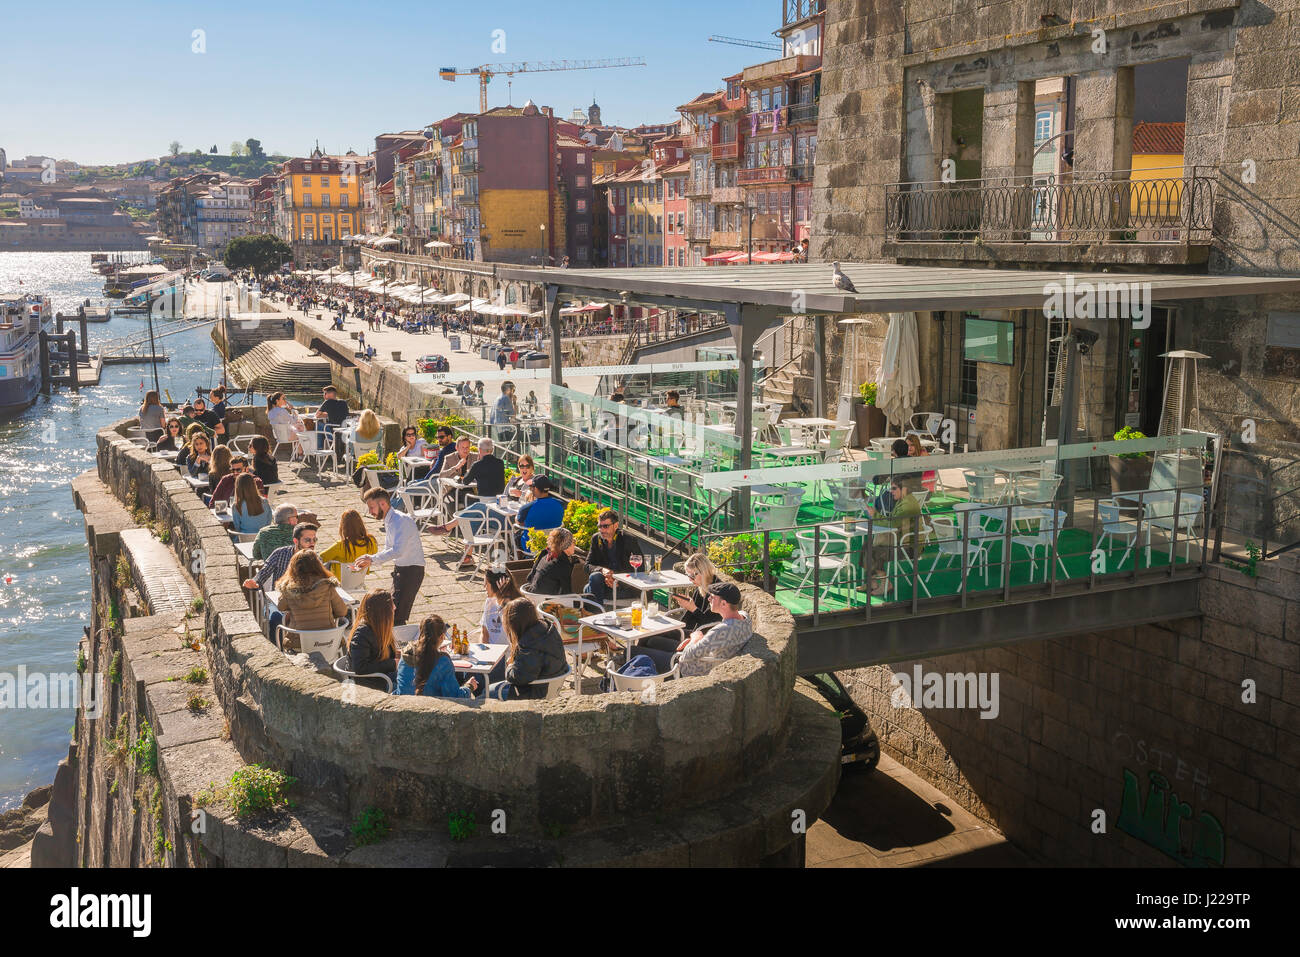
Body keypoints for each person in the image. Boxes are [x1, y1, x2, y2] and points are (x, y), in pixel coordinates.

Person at [354, 488, 426, 626]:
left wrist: (372, 559)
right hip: (402, 569)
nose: (370, 512)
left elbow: (398, 550)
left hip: (411, 571)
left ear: (383, 504)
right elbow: (389, 549)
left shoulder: (400, 521)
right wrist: (371, 558)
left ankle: (397, 643)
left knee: (397, 615)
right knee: (392, 611)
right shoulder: (390, 520)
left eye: (371, 507)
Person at [487, 597, 567, 700]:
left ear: (515, 624)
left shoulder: (529, 646)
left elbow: (519, 677)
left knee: (487, 693)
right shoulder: (548, 631)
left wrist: (509, 667)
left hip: (535, 692)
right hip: (551, 685)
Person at [272, 549, 349, 652]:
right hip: (327, 643)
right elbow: (342, 611)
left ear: (293, 568)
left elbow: (281, 607)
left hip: (299, 645)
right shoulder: (327, 586)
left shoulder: (289, 590)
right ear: (318, 565)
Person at [862, 477, 922, 597]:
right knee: (867, 548)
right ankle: (873, 582)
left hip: (910, 547)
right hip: (902, 540)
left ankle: (886, 584)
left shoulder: (907, 505)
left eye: (894, 488)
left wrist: (875, 515)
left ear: (904, 489)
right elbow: (894, 524)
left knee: (873, 553)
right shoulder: (904, 500)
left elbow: (893, 524)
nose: (891, 491)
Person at [396, 614, 477, 697]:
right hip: (430, 706)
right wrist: (469, 687)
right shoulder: (443, 662)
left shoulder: (405, 654)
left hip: (401, 703)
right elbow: (454, 696)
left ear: (420, 632)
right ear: (442, 637)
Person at [583, 509, 643, 605]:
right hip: (606, 584)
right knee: (595, 578)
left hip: (625, 585)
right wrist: (602, 570)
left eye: (605, 526)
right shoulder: (596, 538)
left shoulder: (628, 539)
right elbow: (587, 565)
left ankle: (597, 613)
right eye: (600, 526)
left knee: (588, 589)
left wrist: (616, 578)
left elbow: (639, 568)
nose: (602, 530)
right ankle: (598, 612)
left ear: (615, 525)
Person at [345, 589, 399, 691]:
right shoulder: (362, 634)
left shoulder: (380, 627)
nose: (395, 607)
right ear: (381, 611)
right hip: (371, 685)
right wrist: (392, 664)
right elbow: (360, 668)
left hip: (382, 677)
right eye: (391, 604)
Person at [668, 552, 723, 634]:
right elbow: (689, 616)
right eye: (688, 575)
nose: (690, 579)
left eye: (692, 576)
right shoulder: (701, 587)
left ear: (703, 572)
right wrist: (678, 628)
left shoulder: (718, 592)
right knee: (651, 637)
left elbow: (708, 624)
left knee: (652, 640)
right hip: (692, 632)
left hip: (702, 637)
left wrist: (693, 608)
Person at [523, 526, 581, 596]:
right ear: (567, 546)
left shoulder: (545, 553)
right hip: (546, 602)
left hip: (532, 595)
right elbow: (566, 593)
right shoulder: (562, 564)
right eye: (573, 542)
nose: (574, 546)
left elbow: (529, 577)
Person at [516, 476, 565, 551]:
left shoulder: (526, 508)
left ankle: (521, 561)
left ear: (535, 489)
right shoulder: (561, 504)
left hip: (532, 547)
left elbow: (519, 522)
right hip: (553, 545)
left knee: (516, 535)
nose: (530, 489)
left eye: (531, 487)